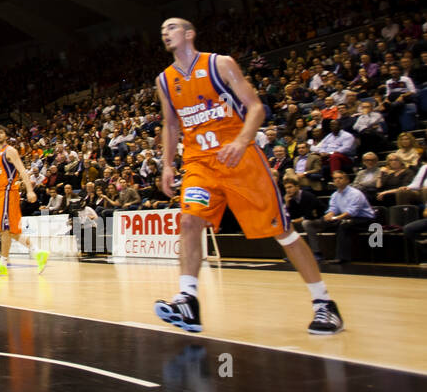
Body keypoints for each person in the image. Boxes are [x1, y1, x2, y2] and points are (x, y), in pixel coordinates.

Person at [152, 18, 342, 335]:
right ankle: (187, 300)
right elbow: (170, 124)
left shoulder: (220, 64)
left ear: (189, 33)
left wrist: (241, 141)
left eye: (171, 27)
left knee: (282, 231)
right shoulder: (164, 80)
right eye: (162, 30)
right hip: (199, 162)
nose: (165, 32)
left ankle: (324, 304)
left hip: (239, 158)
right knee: (188, 221)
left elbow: (255, 107)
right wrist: (168, 164)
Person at [0, 126, 47, 277]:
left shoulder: (10, 151)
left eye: (1, 132)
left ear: (5, 136)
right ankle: (38, 252)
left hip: (9, 191)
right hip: (1, 193)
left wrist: (30, 190)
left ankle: (3, 264)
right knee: (11, 231)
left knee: (5, 230)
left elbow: (22, 170)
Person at [302, 171, 375, 264]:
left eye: (340, 178)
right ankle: (316, 253)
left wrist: (336, 218)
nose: (337, 180)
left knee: (344, 224)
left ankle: (342, 258)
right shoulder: (335, 195)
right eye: (335, 178)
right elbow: (333, 209)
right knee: (308, 223)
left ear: (347, 180)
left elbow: (351, 212)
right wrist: (328, 215)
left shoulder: (355, 193)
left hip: (365, 220)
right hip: (345, 218)